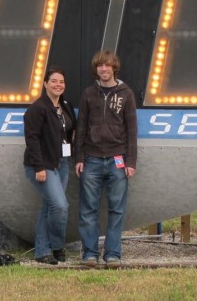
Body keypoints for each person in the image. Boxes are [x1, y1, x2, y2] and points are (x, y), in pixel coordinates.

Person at [74, 50, 138, 267]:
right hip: (91, 159)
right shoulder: (88, 94)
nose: (103, 69)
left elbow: (132, 130)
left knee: (116, 210)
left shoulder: (126, 94)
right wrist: (79, 157)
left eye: (107, 66)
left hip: (117, 160)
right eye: (100, 66)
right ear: (96, 69)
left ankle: (113, 255)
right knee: (88, 209)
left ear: (114, 68)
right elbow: (81, 127)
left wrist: (130, 162)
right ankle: (89, 254)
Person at [23, 66, 76, 265]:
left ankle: (42, 252)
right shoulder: (37, 109)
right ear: (45, 83)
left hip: (62, 163)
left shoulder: (66, 106)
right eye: (54, 81)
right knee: (60, 206)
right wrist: (39, 168)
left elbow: (71, 129)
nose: (58, 85)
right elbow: (32, 139)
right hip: (42, 165)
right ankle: (58, 247)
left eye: (61, 82)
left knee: (49, 207)